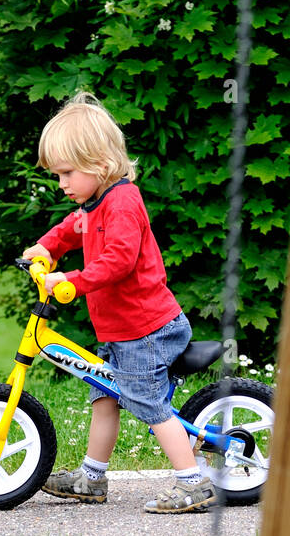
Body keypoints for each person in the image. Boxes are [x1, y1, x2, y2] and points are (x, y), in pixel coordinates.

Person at [20, 92, 215, 513]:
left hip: (148, 330)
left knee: (145, 400)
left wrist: (73, 281)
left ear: (100, 164)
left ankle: (193, 482)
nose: (62, 184)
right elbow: (72, 229)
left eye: (67, 173)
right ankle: (91, 479)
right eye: (57, 175)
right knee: (104, 395)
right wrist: (46, 246)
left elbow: (120, 260)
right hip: (123, 331)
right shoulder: (95, 202)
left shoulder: (123, 202)